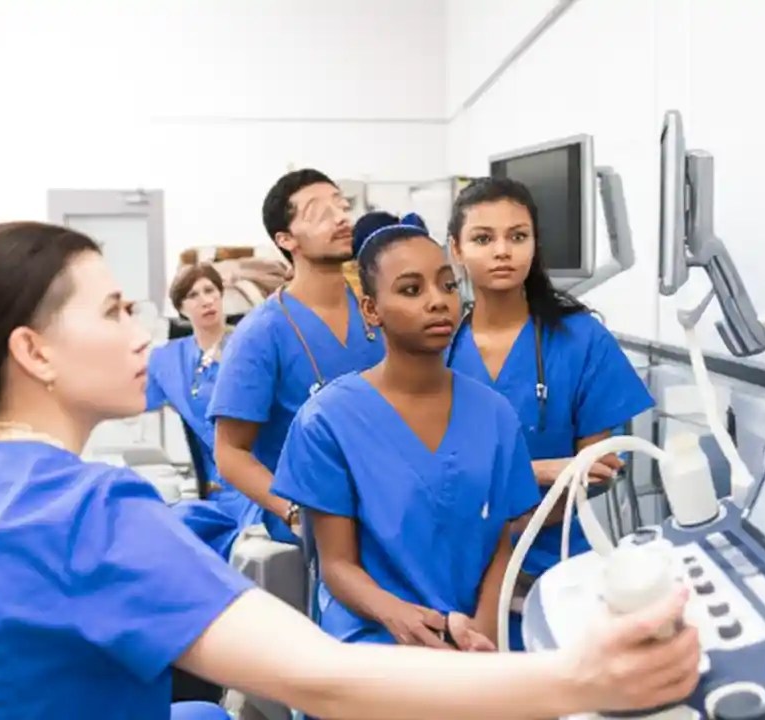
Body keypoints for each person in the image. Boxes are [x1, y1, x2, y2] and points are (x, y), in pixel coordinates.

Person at [0, 220, 701, 719]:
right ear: (33, 351)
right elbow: (324, 679)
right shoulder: (93, 516)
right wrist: (581, 680)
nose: (141, 333)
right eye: (115, 310)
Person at [272, 212, 539, 651]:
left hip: (472, 637)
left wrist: (484, 634)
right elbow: (338, 566)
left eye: (447, 286)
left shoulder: (495, 414)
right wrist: (400, 619)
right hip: (374, 638)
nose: (437, 301)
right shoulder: (328, 421)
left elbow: (499, 544)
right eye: (412, 290)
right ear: (371, 310)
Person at [445, 177, 656, 649]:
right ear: (456, 250)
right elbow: (424, 476)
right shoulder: (437, 345)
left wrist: (505, 533)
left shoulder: (581, 339)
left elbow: (595, 468)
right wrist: (539, 470)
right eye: (483, 238)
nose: (503, 250)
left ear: (535, 244)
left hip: (559, 565)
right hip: (454, 569)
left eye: (518, 236)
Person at [210, 169, 384, 545]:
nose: (341, 218)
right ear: (285, 239)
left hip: (388, 508)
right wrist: (292, 509)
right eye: (319, 213)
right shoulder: (262, 333)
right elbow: (229, 452)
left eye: (342, 206)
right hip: (309, 525)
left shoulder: (377, 311)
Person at [148, 263, 261, 561]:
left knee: (254, 549)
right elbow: (129, 397)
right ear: (182, 309)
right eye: (193, 295)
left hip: (257, 477)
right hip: (214, 490)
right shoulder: (168, 358)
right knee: (171, 531)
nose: (205, 300)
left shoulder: (249, 345)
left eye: (210, 290)